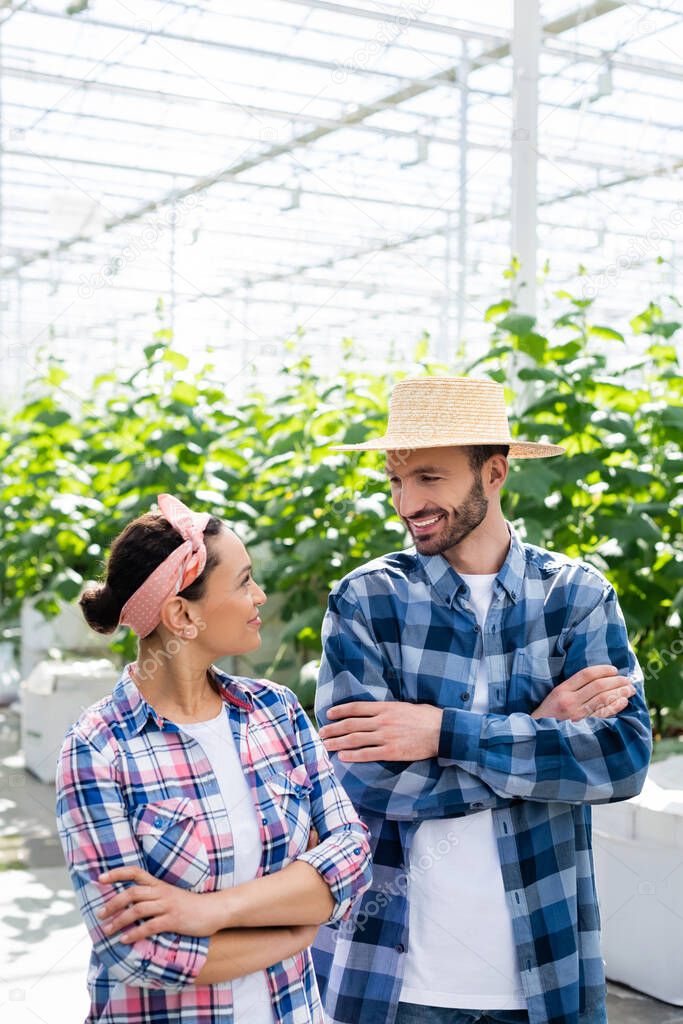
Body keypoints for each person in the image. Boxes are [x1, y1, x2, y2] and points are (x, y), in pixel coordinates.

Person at [312, 377, 652, 1024]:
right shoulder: (365, 602)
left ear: (493, 473)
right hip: (397, 978)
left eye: (429, 479)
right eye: (396, 481)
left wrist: (444, 733)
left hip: (542, 973)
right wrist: (536, 737)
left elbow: (620, 759)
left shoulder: (575, 598)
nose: (407, 502)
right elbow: (360, 780)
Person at [56, 493, 372, 1024]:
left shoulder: (276, 712)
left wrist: (207, 912)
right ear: (182, 614)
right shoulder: (97, 750)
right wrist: (296, 925)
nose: (261, 596)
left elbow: (353, 857)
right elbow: (137, 952)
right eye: (244, 581)